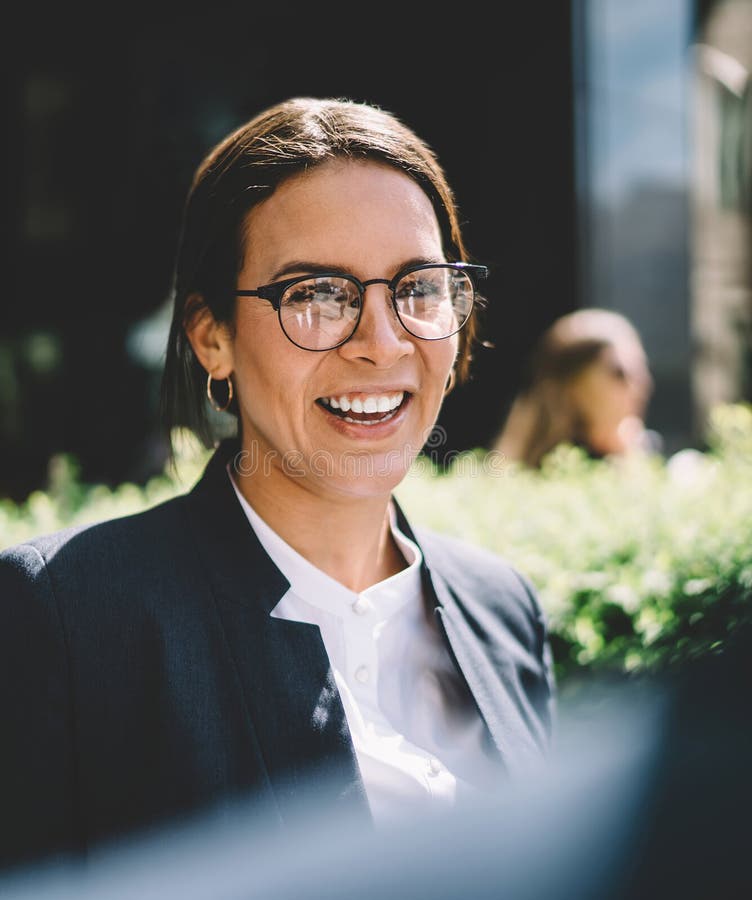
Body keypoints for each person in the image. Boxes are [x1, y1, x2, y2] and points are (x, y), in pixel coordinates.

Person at [0, 96, 555, 872]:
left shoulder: (499, 606)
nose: (382, 342)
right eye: (317, 293)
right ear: (211, 338)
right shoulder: (67, 618)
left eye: (418, 287)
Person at [493, 307, 658, 468]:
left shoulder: (636, 457)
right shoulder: (526, 471)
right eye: (619, 373)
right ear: (573, 386)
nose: (641, 385)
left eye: (641, 370)